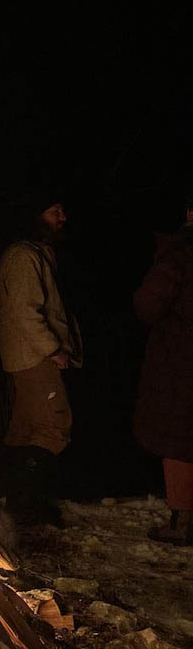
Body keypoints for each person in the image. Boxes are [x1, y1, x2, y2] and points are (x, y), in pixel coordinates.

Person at [0, 192, 82, 524]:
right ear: (35, 215)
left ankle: (13, 500)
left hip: (29, 357)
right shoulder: (22, 257)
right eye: (54, 211)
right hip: (33, 359)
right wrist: (53, 350)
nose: (62, 217)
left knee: (24, 430)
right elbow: (24, 311)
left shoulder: (37, 255)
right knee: (52, 428)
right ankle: (25, 504)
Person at [133, 193, 193, 545]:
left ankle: (183, 524)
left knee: (179, 440)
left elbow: (148, 304)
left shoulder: (180, 253)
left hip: (181, 364)